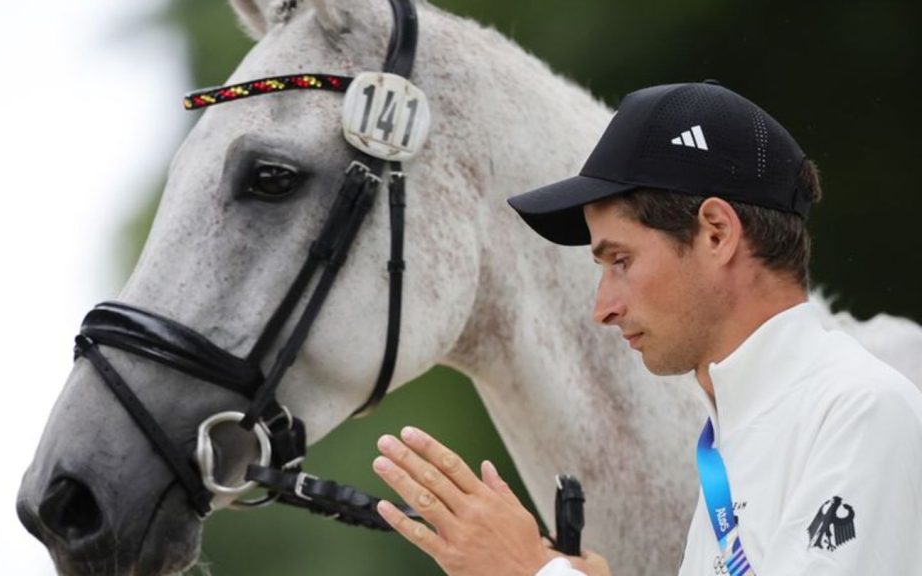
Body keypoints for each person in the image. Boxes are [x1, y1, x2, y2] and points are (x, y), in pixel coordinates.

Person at [370, 81, 922, 575]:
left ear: (715, 233)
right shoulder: (733, 433)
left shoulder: (862, 409)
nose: (602, 307)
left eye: (621, 261)